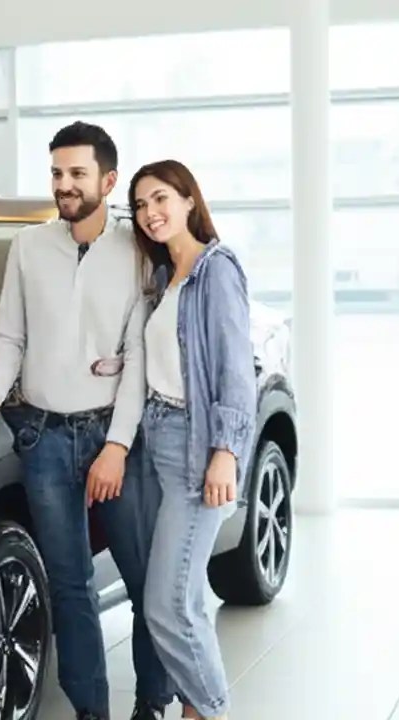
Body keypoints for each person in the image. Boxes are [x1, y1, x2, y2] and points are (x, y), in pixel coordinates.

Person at [0, 121, 173, 720]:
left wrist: (117, 446)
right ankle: (91, 711)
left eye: (78, 173)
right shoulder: (28, 247)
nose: (64, 184)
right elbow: (9, 335)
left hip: (113, 436)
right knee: (70, 585)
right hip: (44, 437)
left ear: (108, 180)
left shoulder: (137, 249)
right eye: (57, 172)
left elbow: (138, 356)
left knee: (145, 581)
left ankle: (152, 702)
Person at [128, 159, 256, 720]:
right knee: (187, 597)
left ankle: (211, 708)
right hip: (156, 437)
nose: (150, 212)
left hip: (195, 443)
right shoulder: (164, 278)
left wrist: (225, 453)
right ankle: (195, 709)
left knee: (167, 603)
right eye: (140, 205)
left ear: (187, 200)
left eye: (160, 198)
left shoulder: (215, 269)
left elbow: (235, 370)